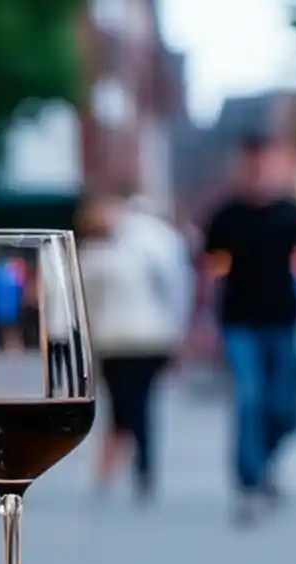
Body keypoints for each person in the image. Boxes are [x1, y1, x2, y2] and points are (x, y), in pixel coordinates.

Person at [202, 136, 296, 526]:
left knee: (284, 406)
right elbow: (210, 270)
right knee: (249, 398)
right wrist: (202, 324)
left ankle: (265, 461)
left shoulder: (291, 214)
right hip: (239, 322)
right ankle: (249, 481)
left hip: (284, 321)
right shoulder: (226, 216)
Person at [80, 192, 192, 502]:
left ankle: (135, 464)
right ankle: (130, 462)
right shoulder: (101, 250)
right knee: (126, 404)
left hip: (140, 339)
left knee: (134, 403)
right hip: (121, 340)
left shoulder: (142, 245)